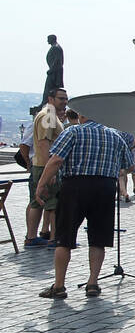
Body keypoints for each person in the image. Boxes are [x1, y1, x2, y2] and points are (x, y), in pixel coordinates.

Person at [32, 115, 134, 299]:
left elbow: (55, 160)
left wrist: (41, 184)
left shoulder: (73, 131)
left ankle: (59, 286)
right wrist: (113, 168)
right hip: (105, 188)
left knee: (65, 238)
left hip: (75, 186)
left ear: (82, 115)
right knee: (98, 238)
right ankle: (93, 283)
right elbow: (130, 165)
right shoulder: (115, 136)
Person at [25, 88, 67, 248]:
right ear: (51, 99)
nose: (64, 102)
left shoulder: (47, 114)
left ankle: (31, 237)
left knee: (37, 202)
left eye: (66, 99)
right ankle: (54, 238)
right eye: (61, 98)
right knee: (54, 203)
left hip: (40, 165)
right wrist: (50, 170)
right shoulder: (48, 115)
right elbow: (44, 143)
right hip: (45, 165)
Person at [42, 35, 64, 104]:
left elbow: (57, 60)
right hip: (54, 71)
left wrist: (51, 70)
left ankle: (46, 103)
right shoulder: (55, 47)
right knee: (50, 90)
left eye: (48, 39)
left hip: (55, 72)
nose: (47, 41)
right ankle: (46, 102)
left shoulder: (56, 47)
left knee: (49, 89)